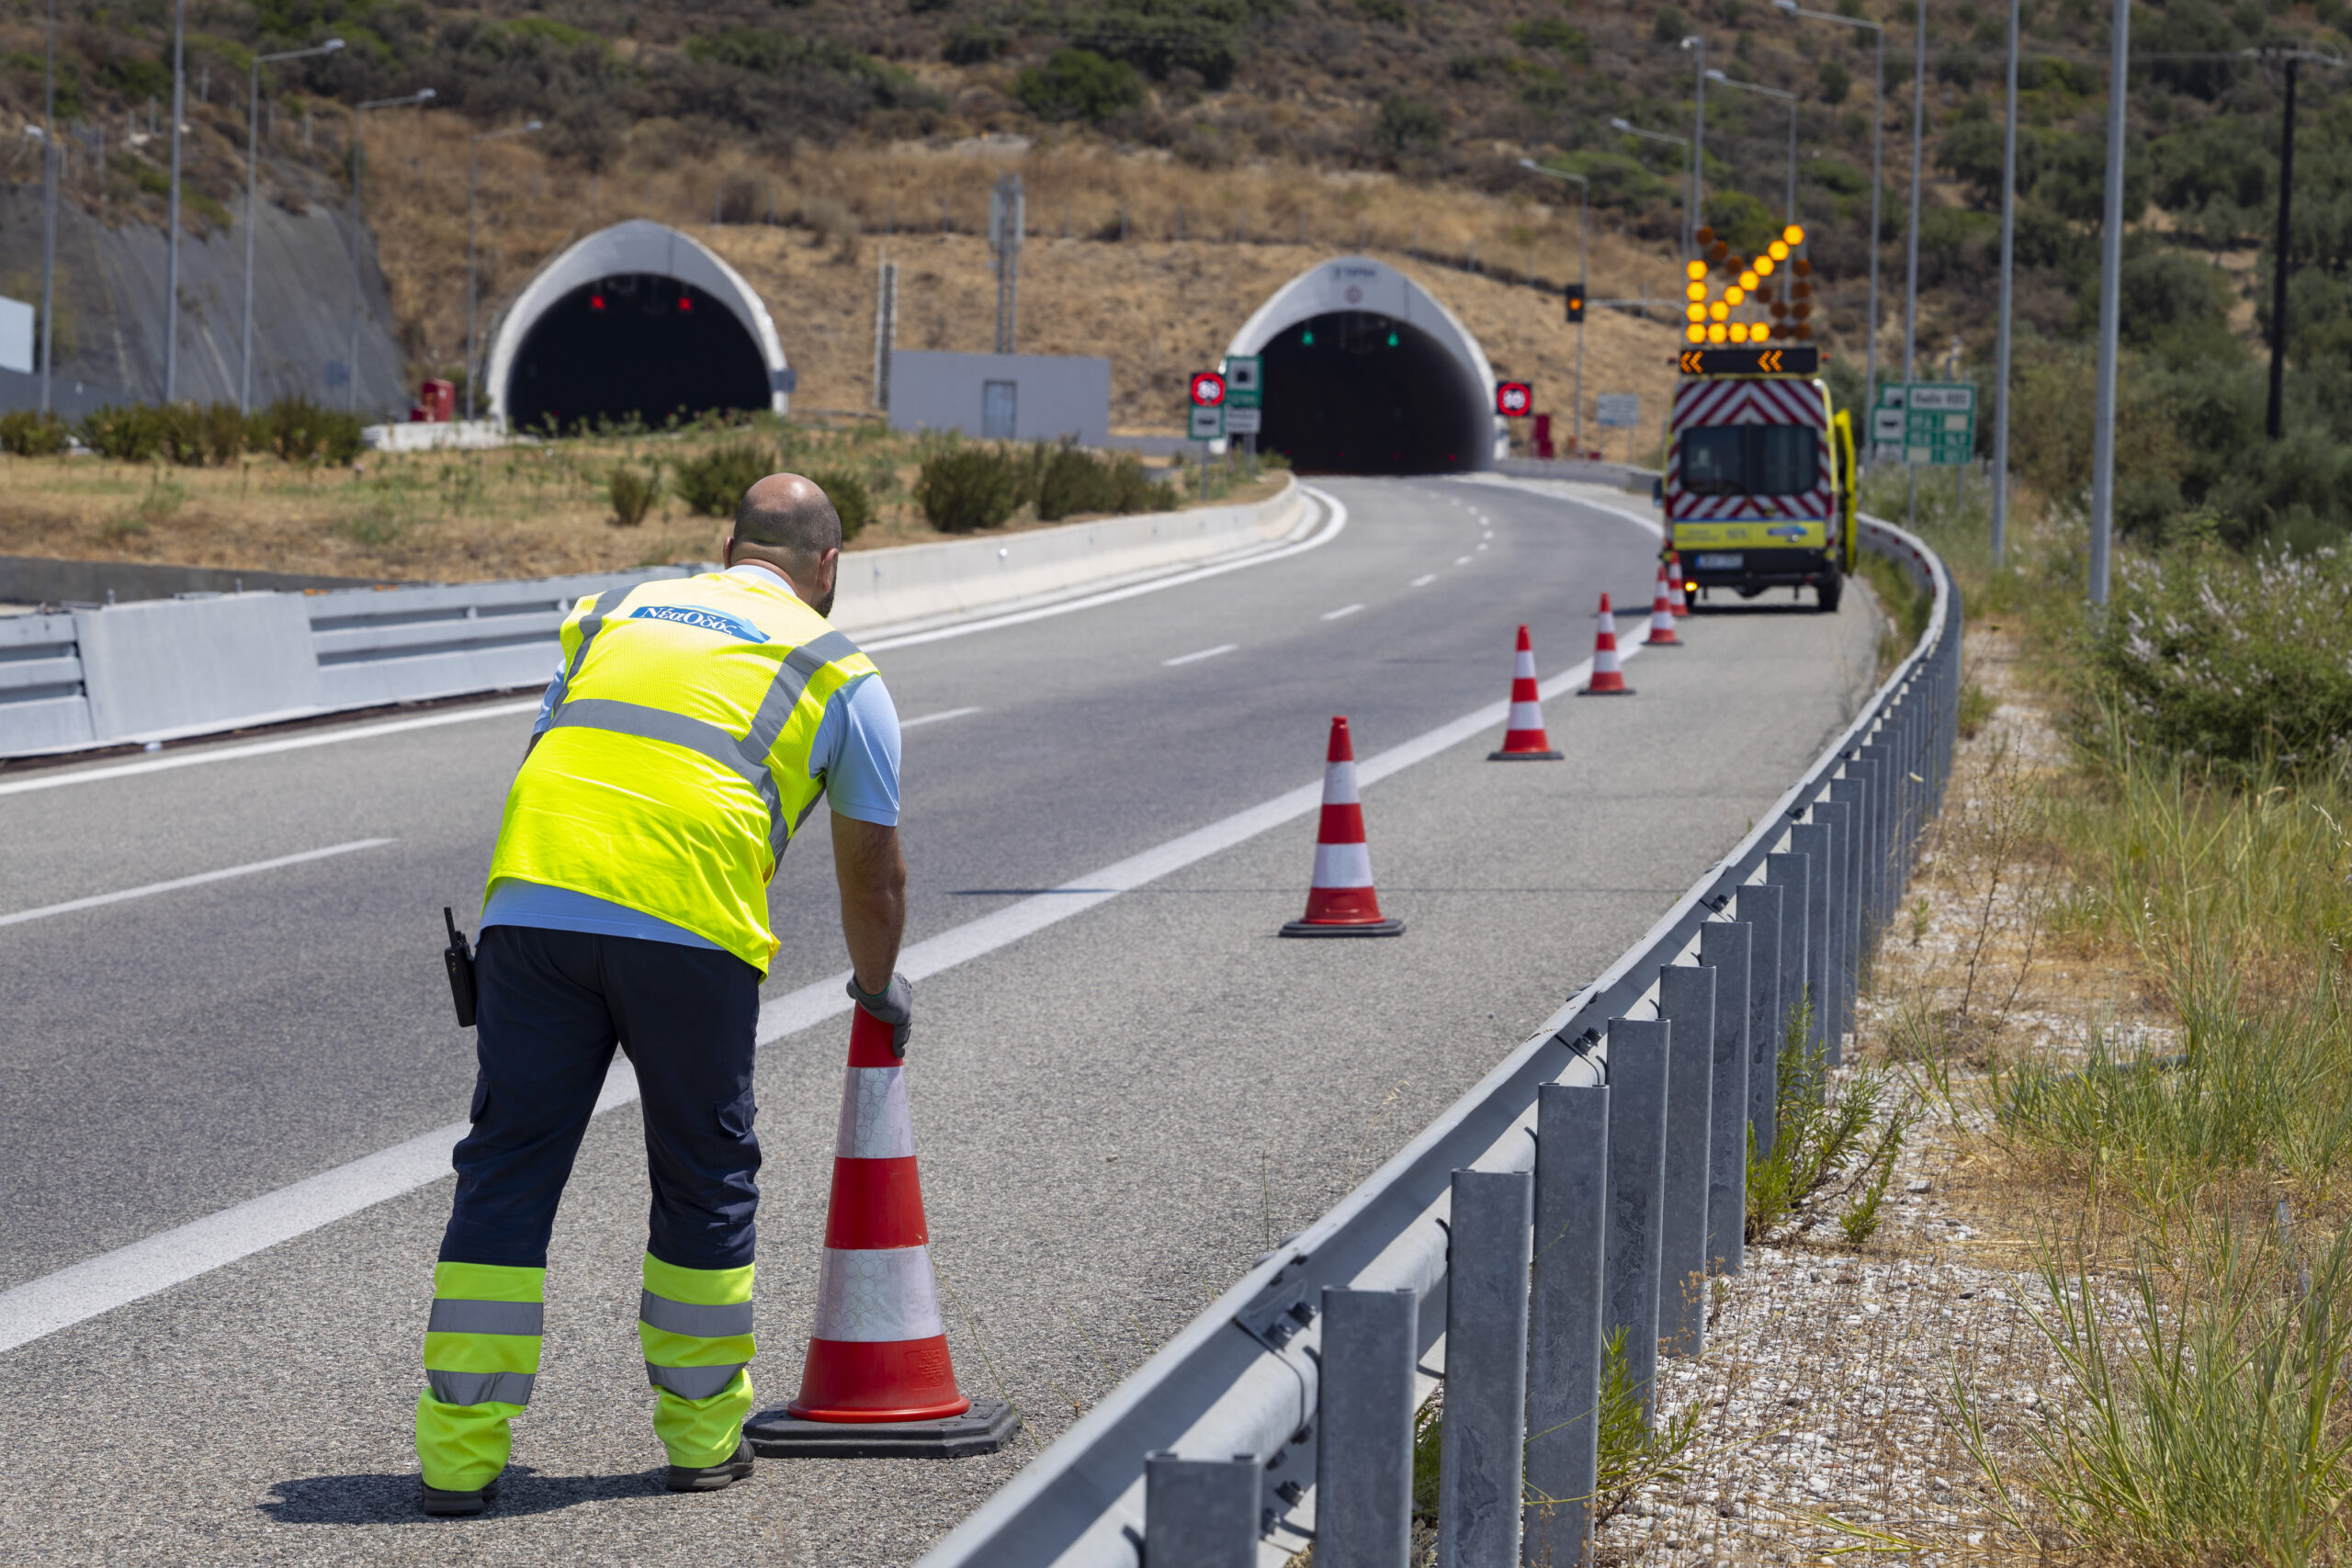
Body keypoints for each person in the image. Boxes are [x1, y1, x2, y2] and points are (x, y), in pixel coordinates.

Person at [414, 473, 911, 1516]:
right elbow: (873, 874)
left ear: (726, 546)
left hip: (534, 908)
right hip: (689, 931)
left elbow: (556, 750)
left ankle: (458, 1458)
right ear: (831, 568)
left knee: (505, 1171)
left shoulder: (613, 612)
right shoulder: (839, 670)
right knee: (703, 1176)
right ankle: (699, 1437)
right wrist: (875, 987)